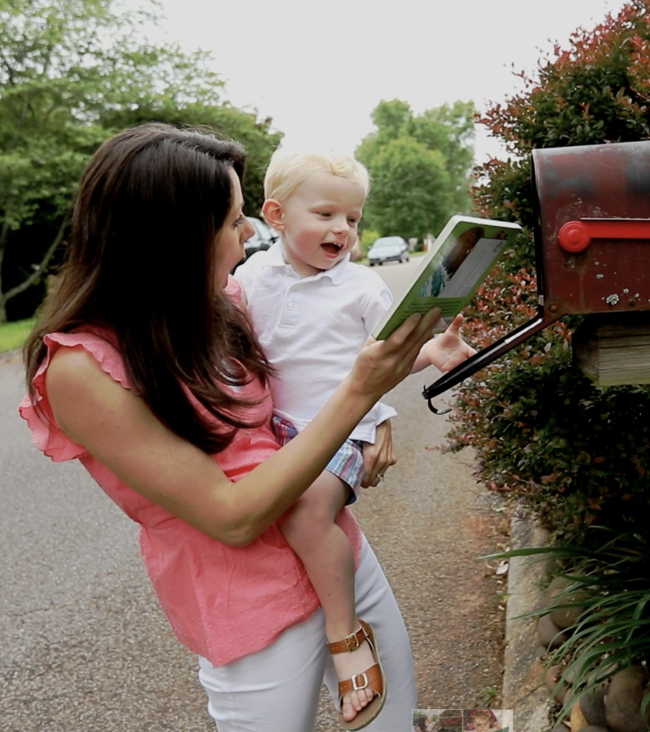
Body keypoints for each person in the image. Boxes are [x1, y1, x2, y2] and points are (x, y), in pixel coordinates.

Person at [19, 123, 440, 732]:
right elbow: (232, 516)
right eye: (233, 220)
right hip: (247, 599)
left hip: (332, 550)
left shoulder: (224, 302)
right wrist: (361, 396)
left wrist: (374, 417)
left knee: (395, 723)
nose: (250, 236)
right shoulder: (80, 370)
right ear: (171, 237)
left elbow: (300, 382)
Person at [233, 148, 475, 728]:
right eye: (326, 214)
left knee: (308, 509)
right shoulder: (247, 278)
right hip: (274, 430)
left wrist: (432, 353)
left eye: (354, 219)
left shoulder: (363, 287)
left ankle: (345, 636)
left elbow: (388, 358)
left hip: (341, 430)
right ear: (276, 214)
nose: (343, 229)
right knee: (277, 501)